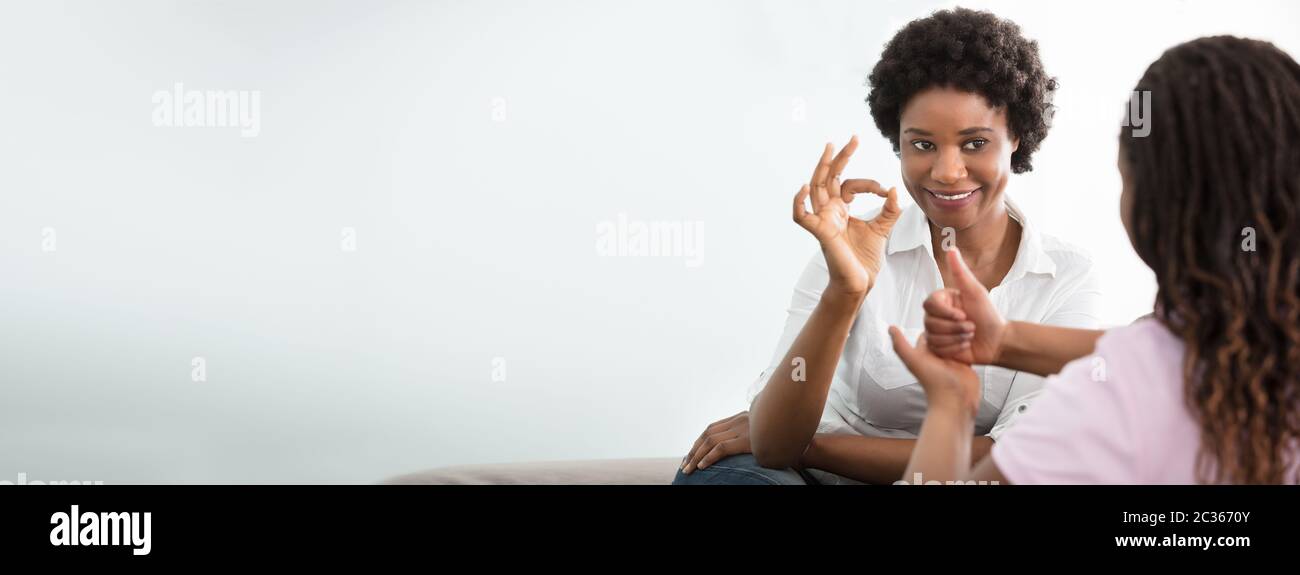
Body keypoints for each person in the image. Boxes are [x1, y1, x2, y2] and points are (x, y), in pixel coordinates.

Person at [675, 8, 1101, 485]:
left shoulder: (1066, 276)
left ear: (1016, 137)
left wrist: (815, 446)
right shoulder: (855, 248)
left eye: (974, 143)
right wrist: (846, 291)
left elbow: (1021, 461)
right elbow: (773, 443)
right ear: (898, 143)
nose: (946, 171)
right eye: (922, 145)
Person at [894, 36, 1300, 484]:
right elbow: (1183, 347)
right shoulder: (1257, 346)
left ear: (1146, 207)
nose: (948, 171)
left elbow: (1152, 360)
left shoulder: (1110, 403)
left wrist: (951, 407)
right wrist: (1004, 341)